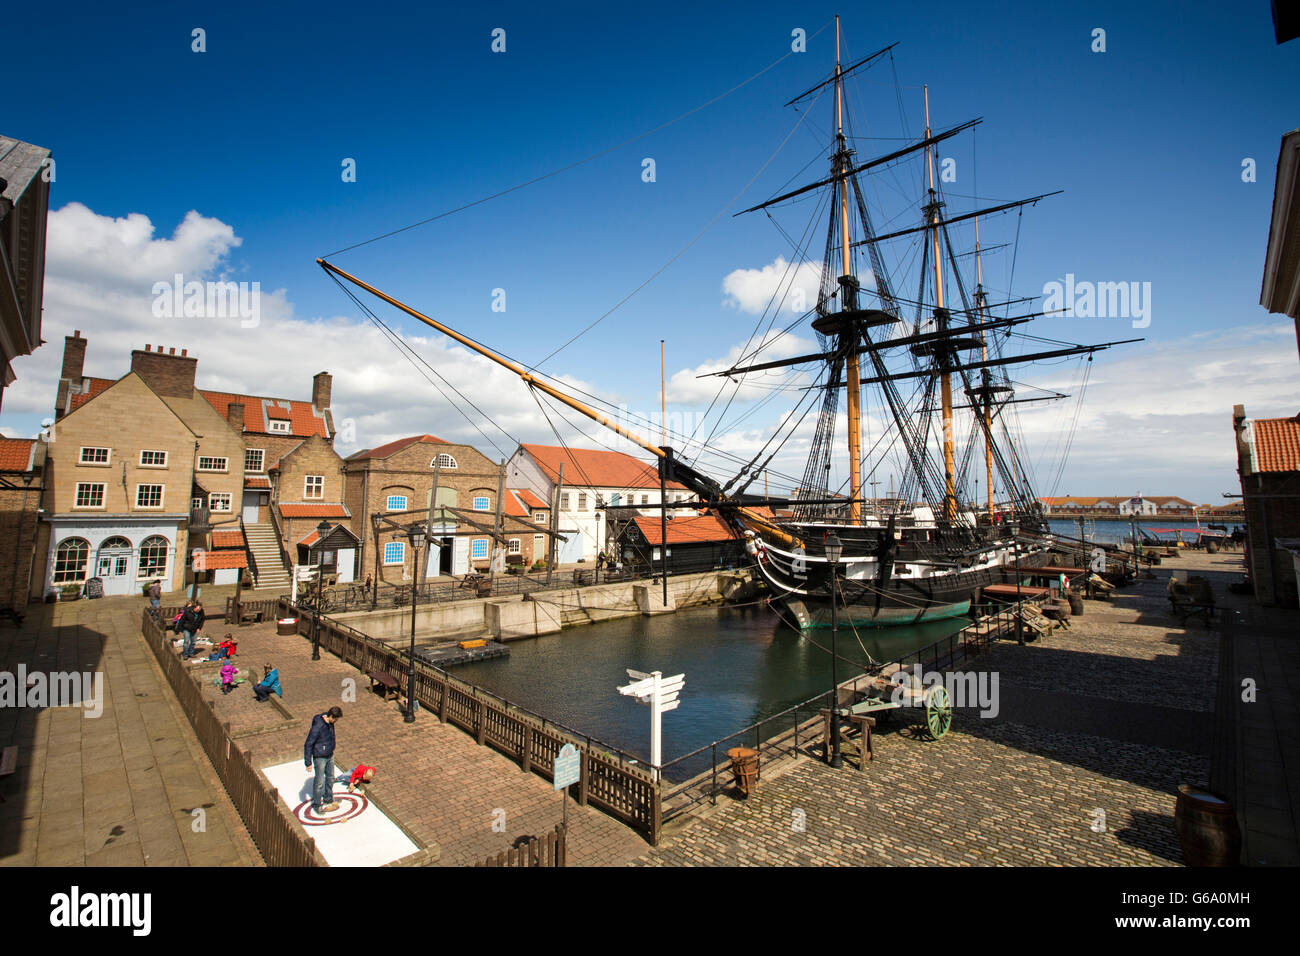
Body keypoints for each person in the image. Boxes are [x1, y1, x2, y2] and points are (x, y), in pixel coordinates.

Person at [304, 706, 342, 814]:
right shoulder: (318, 727)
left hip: (330, 754)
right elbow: (308, 744)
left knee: (330, 777)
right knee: (319, 782)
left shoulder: (330, 722)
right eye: (335, 719)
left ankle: (328, 798)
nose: (336, 721)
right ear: (331, 716)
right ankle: (317, 804)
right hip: (320, 757)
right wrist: (308, 762)